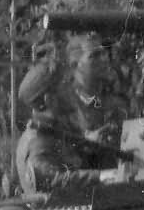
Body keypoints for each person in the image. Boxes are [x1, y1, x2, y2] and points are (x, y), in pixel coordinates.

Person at [14, 34, 125, 193]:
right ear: (49, 99)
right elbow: (50, 179)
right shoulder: (37, 140)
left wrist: (89, 142)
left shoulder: (52, 130)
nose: (69, 90)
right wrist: (100, 177)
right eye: (63, 86)